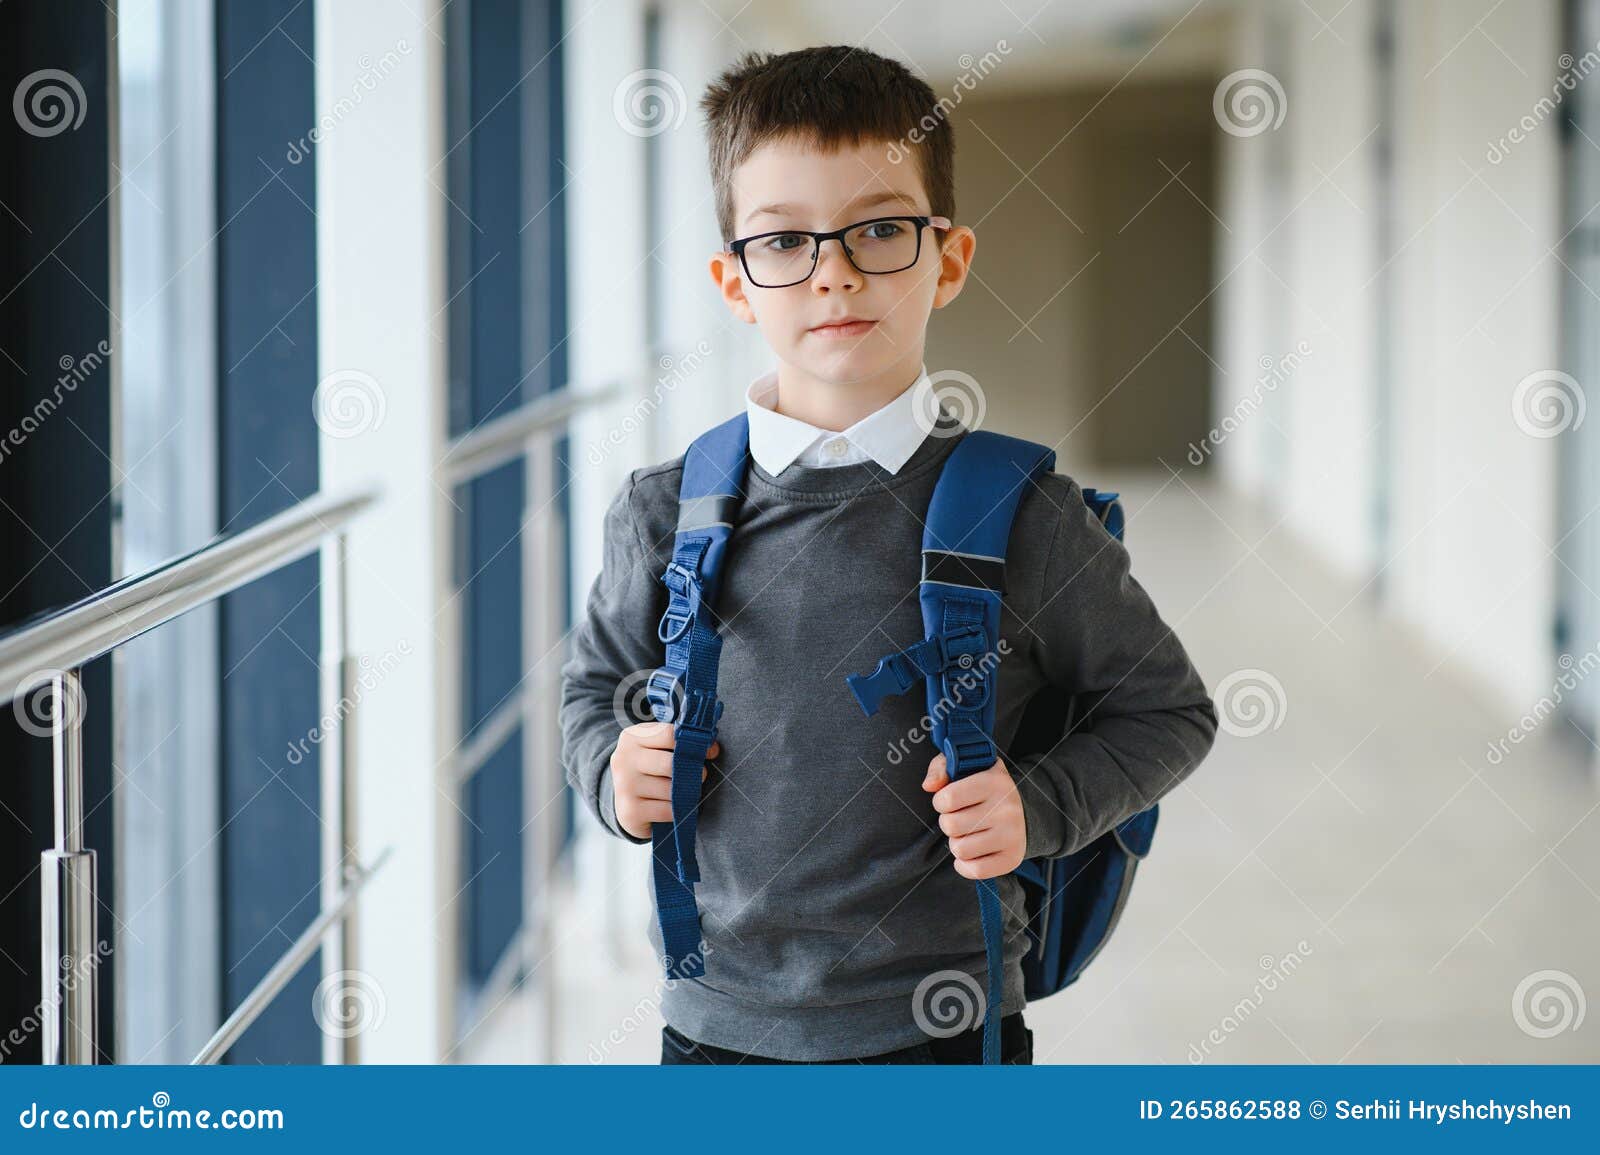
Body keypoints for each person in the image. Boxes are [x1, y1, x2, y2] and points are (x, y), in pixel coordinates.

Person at [558, 44, 1218, 1066]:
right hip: (711, 1030)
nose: (834, 272)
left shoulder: (1025, 516)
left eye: (878, 230)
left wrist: (1035, 806)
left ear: (947, 259)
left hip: (942, 1032)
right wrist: (611, 768)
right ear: (733, 282)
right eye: (784, 241)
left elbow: (1167, 712)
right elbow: (591, 688)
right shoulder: (663, 512)